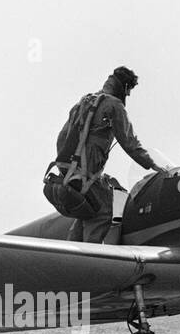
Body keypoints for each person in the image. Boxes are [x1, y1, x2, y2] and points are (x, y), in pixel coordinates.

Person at [46, 66, 162, 243]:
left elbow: (61, 138)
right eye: (129, 89)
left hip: (67, 172)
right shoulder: (114, 106)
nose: (129, 95)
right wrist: (154, 165)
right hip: (87, 174)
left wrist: (69, 168)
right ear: (124, 87)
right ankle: (88, 261)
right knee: (105, 209)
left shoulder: (83, 103)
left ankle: (71, 253)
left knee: (89, 209)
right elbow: (130, 144)